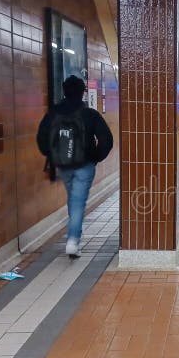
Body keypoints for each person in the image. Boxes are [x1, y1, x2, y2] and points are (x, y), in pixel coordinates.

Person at [37, 75, 113, 257]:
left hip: (63, 165)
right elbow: (107, 140)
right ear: (82, 93)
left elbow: (41, 139)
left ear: (64, 91)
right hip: (85, 165)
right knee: (78, 201)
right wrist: (95, 157)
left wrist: (53, 155)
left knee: (73, 198)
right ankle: (73, 240)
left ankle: (73, 235)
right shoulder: (89, 114)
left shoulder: (53, 113)